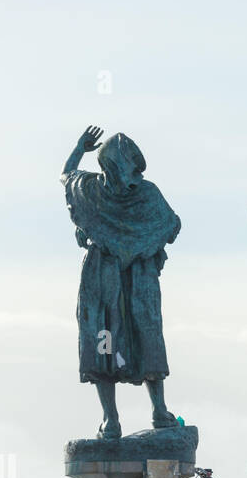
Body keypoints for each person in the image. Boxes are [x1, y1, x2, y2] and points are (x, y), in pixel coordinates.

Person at [61, 125, 181, 439]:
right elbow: (170, 224)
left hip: (110, 272)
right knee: (130, 335)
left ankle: (122, 417)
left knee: (119, 336)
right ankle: (141, 414)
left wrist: (79, 148)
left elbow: (66, 175)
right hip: (128, 272)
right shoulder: (135, 192)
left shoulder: (94, 190)